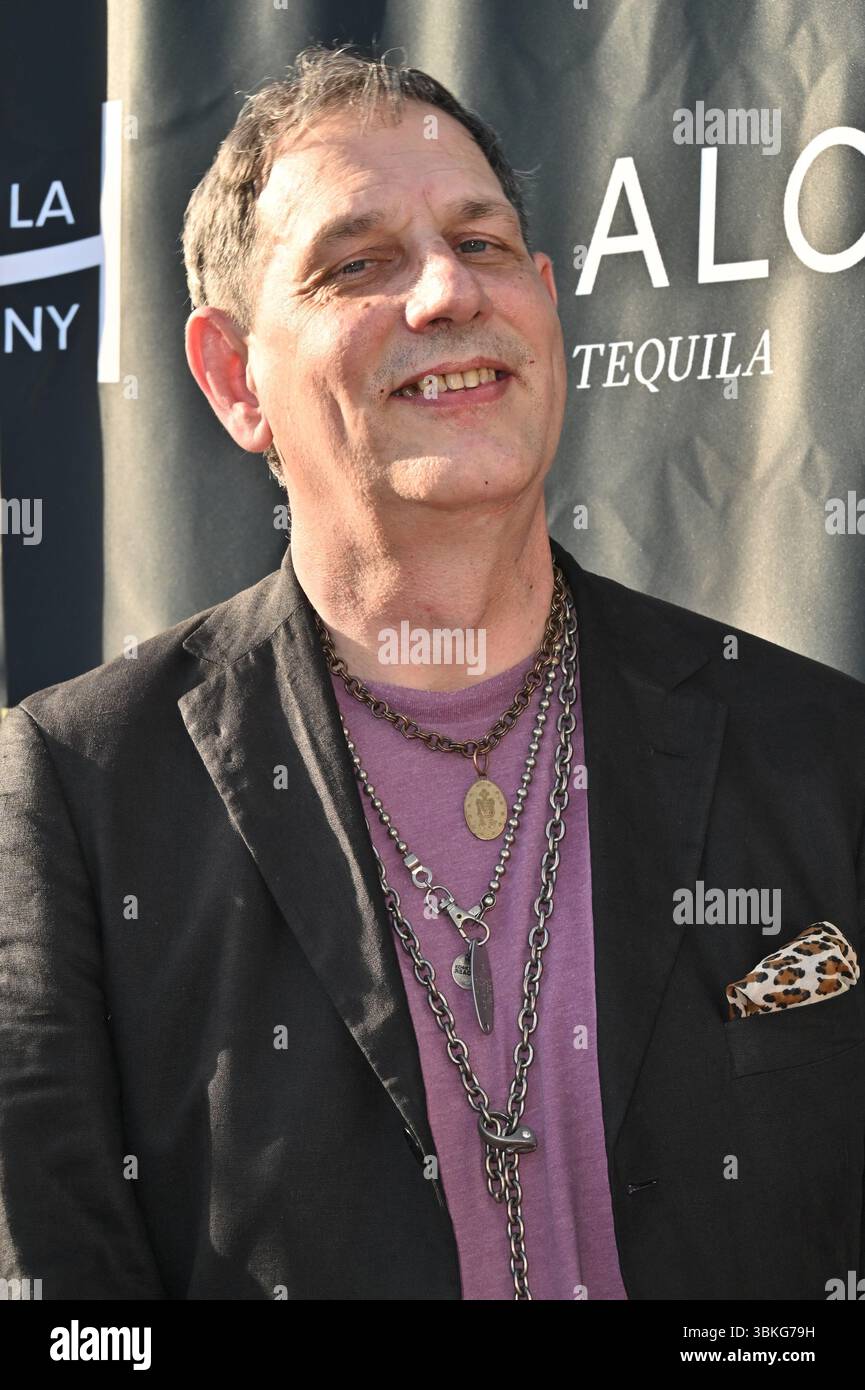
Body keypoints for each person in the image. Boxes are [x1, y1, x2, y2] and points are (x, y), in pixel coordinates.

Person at [1, 43, 863, 1302]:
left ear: (548, 303)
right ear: (235, 378)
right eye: (360, 264)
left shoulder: (813, 741)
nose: (447, 291)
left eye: (485, 242)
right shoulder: (81, 790)